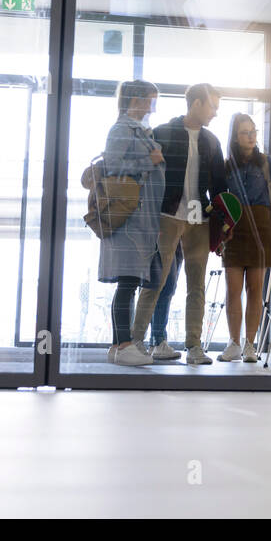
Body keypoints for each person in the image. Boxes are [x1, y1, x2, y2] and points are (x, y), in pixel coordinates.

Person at [125, 82, 226, 366]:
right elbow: (145, 174)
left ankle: (194, 346)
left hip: (199, 219)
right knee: (154, 280)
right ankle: (136, 342)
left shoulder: (212, 141)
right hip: (167, 217)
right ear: (196, 104)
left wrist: (223, 223)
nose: (215, 113)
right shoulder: (163, 133)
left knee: (196, 285)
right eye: (212, 106)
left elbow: (220, 187)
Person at [218, 114, 271, 363]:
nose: (252, 136)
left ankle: (250, 345)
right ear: (235, 136)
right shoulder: (225, 165)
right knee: (233, 290)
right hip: (233, 228)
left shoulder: (265, 161)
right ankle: (233, 343)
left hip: (261, 227)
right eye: (245, 132)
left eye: (253, 131)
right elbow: (219, 196)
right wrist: (221, 229)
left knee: (255, 288)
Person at [99, 80, 166, 367]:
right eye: (151, 99)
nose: (153, 106)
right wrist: (148, 162)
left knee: (130, 281)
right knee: (127, 282)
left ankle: (120, 344)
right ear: (137, 100)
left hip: (141, 219)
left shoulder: (137, 130)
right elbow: (111, 166)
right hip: (129, 219)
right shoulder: (121, 129)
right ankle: (123, 343)